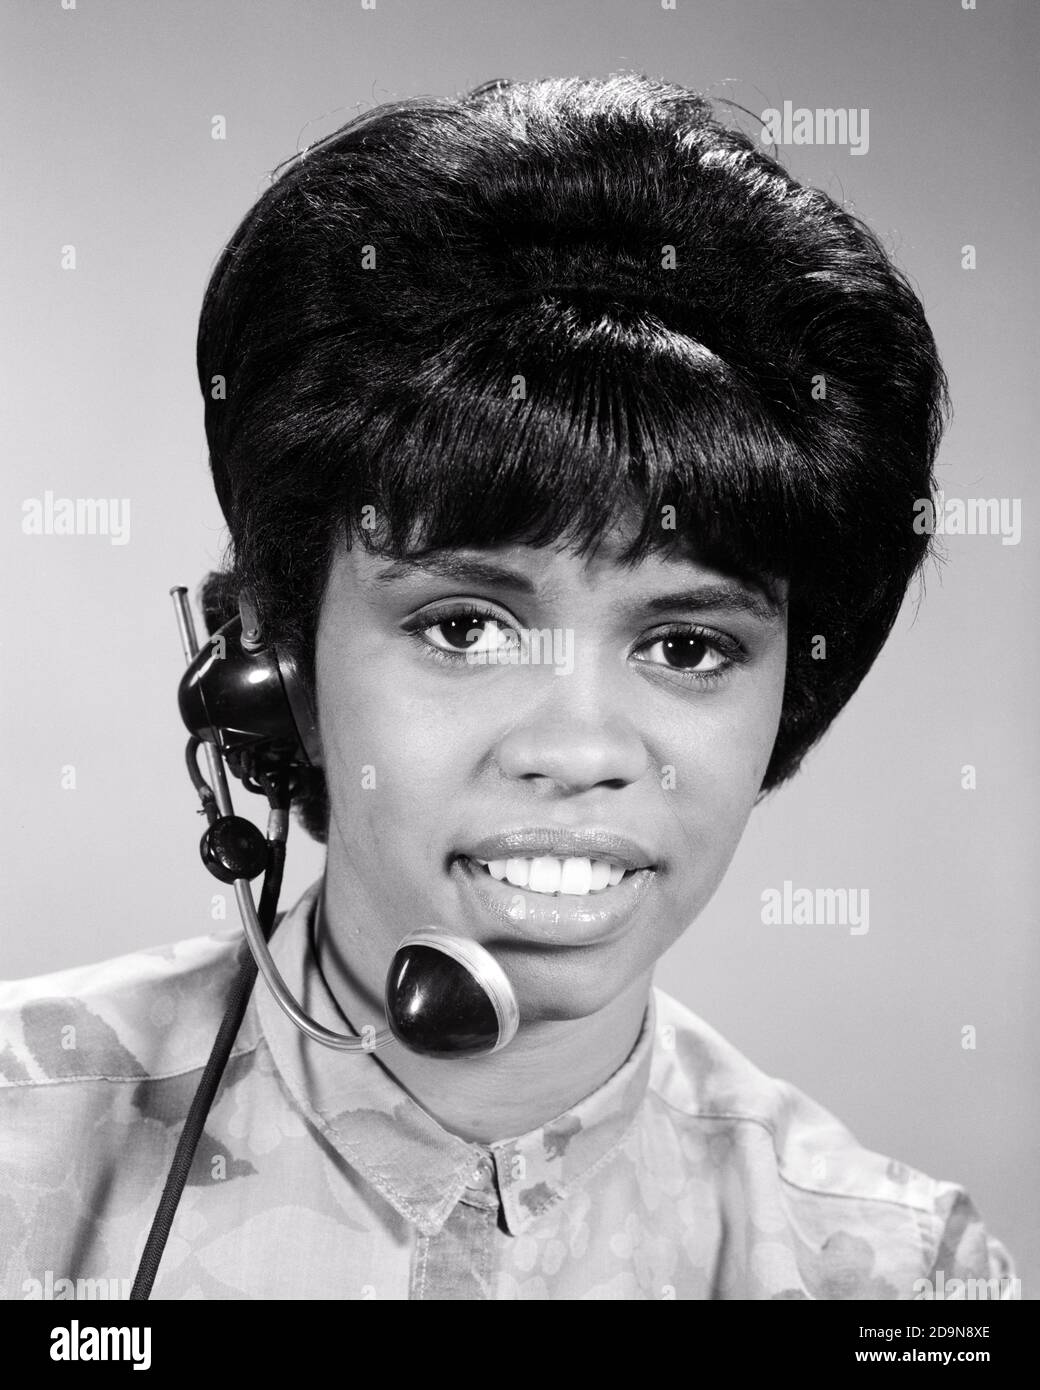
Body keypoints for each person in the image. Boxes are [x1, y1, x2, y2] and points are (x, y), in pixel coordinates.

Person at [1, 73, 1015, 1301]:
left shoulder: (904, 1282)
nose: (579, 746)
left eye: (686, 646)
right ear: (272, 669)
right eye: (467, 626)